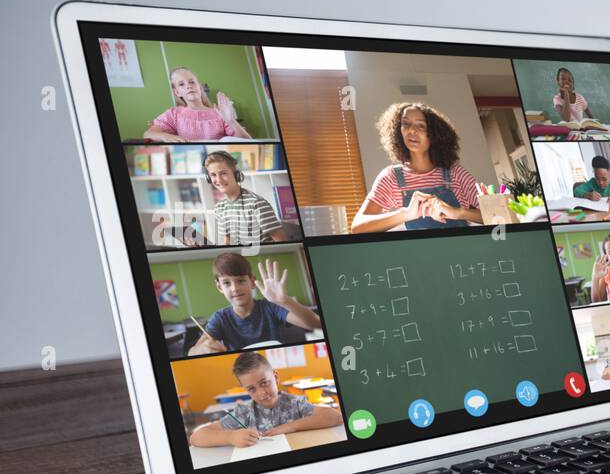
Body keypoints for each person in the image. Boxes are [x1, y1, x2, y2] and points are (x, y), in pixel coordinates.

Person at [351, 102, 484, 233]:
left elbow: (497, 215)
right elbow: (358, 227)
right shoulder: (390, 177)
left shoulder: (455, 172)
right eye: (406, 124)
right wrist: (406, 214)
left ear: (434, 134)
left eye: (421, 126)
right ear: (398, 130)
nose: (412, 130)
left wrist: (459, 213)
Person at [188, 351, 341, 447]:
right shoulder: (244, 412)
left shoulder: (294, 403)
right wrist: (230, 436)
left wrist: (290, 426)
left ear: (275, 377)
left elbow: (335, 416)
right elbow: (196, 438)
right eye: (252, 389)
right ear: (245, 390)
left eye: (264, 383)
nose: (261, 393)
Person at [188, 253, 320, 356]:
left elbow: (316, 323)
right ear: (219, 287)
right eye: (227, 283)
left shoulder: (270, 306)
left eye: (240, 281)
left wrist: (285, 301)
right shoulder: (220, 318)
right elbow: (192, 352)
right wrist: (203, 350)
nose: (235, 288)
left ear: (252, 282)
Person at [144, 67, 254, 142]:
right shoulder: (174, 114)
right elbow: (148, 134)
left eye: (192, 82)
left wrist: (231, 120)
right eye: (181, 84)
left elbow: (248, 141)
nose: (188, 86)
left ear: (200, 87)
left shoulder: (218, 113)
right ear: (177, 92)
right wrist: (165, 136)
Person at [205, 151, 287, 246]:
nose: (218, 180)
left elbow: (283, 243)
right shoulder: (219, 208)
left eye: (223, 173)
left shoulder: (256, 203)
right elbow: (229, 242)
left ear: (236, 174)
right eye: (213, 175)